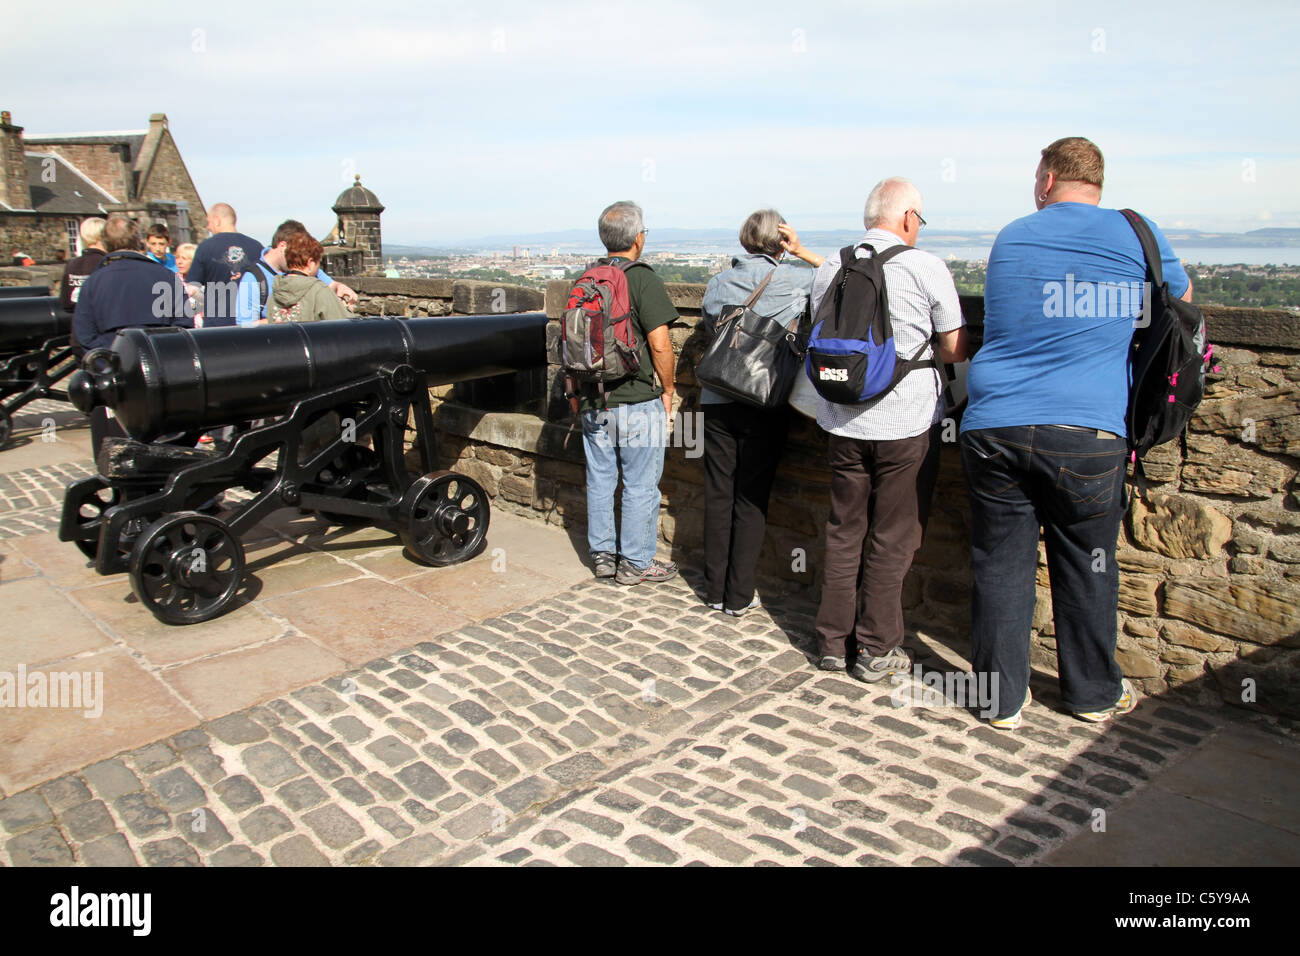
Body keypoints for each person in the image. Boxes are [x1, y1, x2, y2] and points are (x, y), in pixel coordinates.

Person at [960, 136, 1191, 730]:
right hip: (1088, 431)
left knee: (1000, 564)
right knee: (1088, 563)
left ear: (1047, 180)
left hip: (996, 426)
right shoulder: (1137, 231)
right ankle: (1090, 693)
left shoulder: (1012, 234)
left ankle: (997, 699)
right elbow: (1183, 303)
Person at [796, 178, 967, 682]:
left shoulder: (830, 266)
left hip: (843, 419)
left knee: (844, 530)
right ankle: (875, 647)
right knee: (894, 536)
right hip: (905, 423)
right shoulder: (925, 266)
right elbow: (955, 348)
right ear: (909, 218)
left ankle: (831, 642)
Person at [698, 208, 819, 616]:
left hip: (717, 397)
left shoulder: (717, 283)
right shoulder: (795, 280)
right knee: (750, 498)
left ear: (744, 239)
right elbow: (840, 276)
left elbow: (710, 329)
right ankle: (738, 595)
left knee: (717, 495)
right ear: (780, 241)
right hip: (763, 400)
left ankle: (714, 590)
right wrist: (801, 251)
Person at [576, 201, 679, 586]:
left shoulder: (585, 278)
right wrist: (668, 389)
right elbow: (661, 345)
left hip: (592, 399)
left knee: (600, 478)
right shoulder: (643, 279)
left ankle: (603, 555)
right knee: (640, 483)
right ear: (638, 238)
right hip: (636, 399)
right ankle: (635, 562)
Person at [72, 215, 193, 454]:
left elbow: (83, 338)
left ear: (105, 244)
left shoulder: (93, 283)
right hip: (160, 379)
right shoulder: (165, 276)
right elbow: (184, 328)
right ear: (139, 241)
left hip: (113, 382)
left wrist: (110, 362)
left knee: (116, 454)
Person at [235, 219, 357, 325]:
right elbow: (246, 327)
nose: (298, 254)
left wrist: (340, 286)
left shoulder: (302, 269)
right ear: (283, 246)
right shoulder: (253, 278)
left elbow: (329, 284)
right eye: (296, 249)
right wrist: (288, 320)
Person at [185, 202, 266, 326]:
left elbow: (192, 289)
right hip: (251, 323)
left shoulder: (205, 247)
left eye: (208, 222)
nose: (208, 227)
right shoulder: (257, 247)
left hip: (217, 325)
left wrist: (208, 302)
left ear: (217, 220)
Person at [264, 232, 353, 323]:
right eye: (319, 262)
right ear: (310, 263)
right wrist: (347, 308)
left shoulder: (275, 292)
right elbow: (343, 325)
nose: (319, 267)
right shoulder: (318, 290)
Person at [60, 217, 107, 315]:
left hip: (78, 323)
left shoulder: (72, 264)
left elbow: (66, 303)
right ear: (102, 236)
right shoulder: (106, 263)